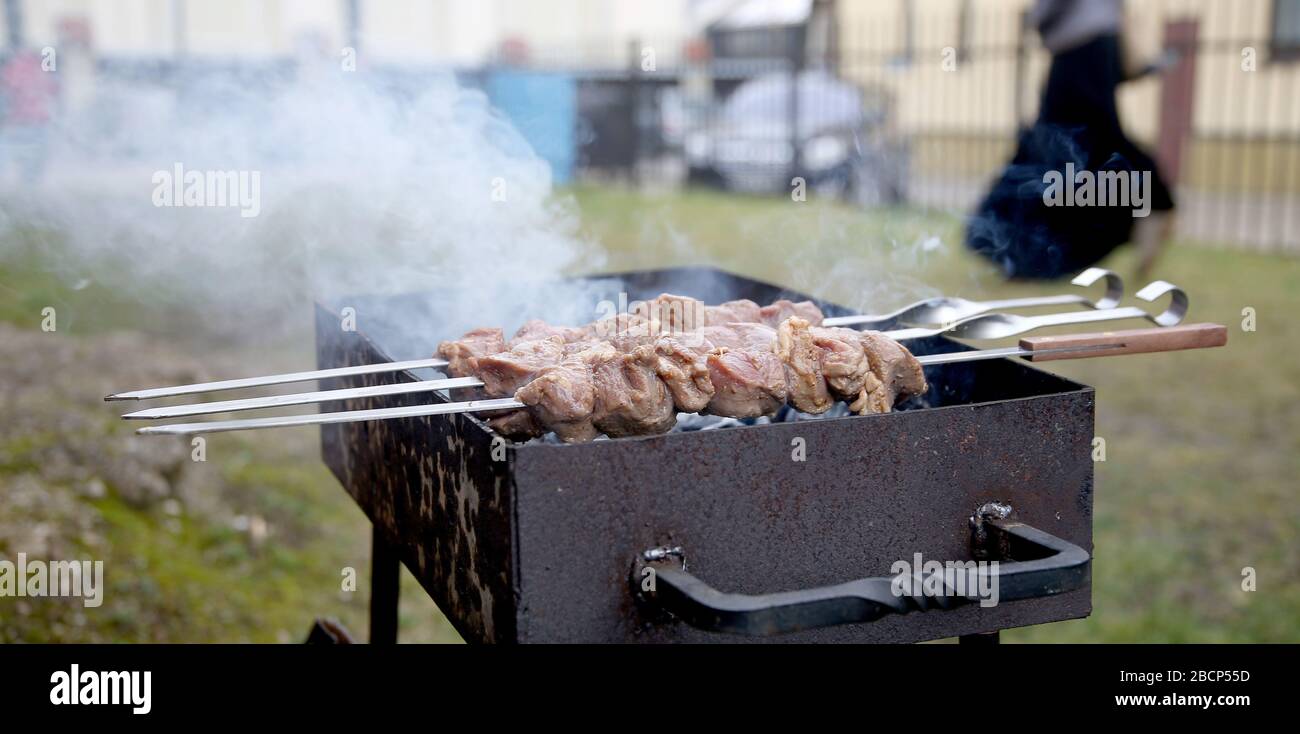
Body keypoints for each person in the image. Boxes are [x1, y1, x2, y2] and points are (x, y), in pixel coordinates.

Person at [966, 0, 1176, 280]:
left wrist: (1037, 17)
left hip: (1081, 51)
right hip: (1084, 49)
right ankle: (1020, 252)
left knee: (1081, 144)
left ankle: (1155, 200)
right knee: (1063, 149)